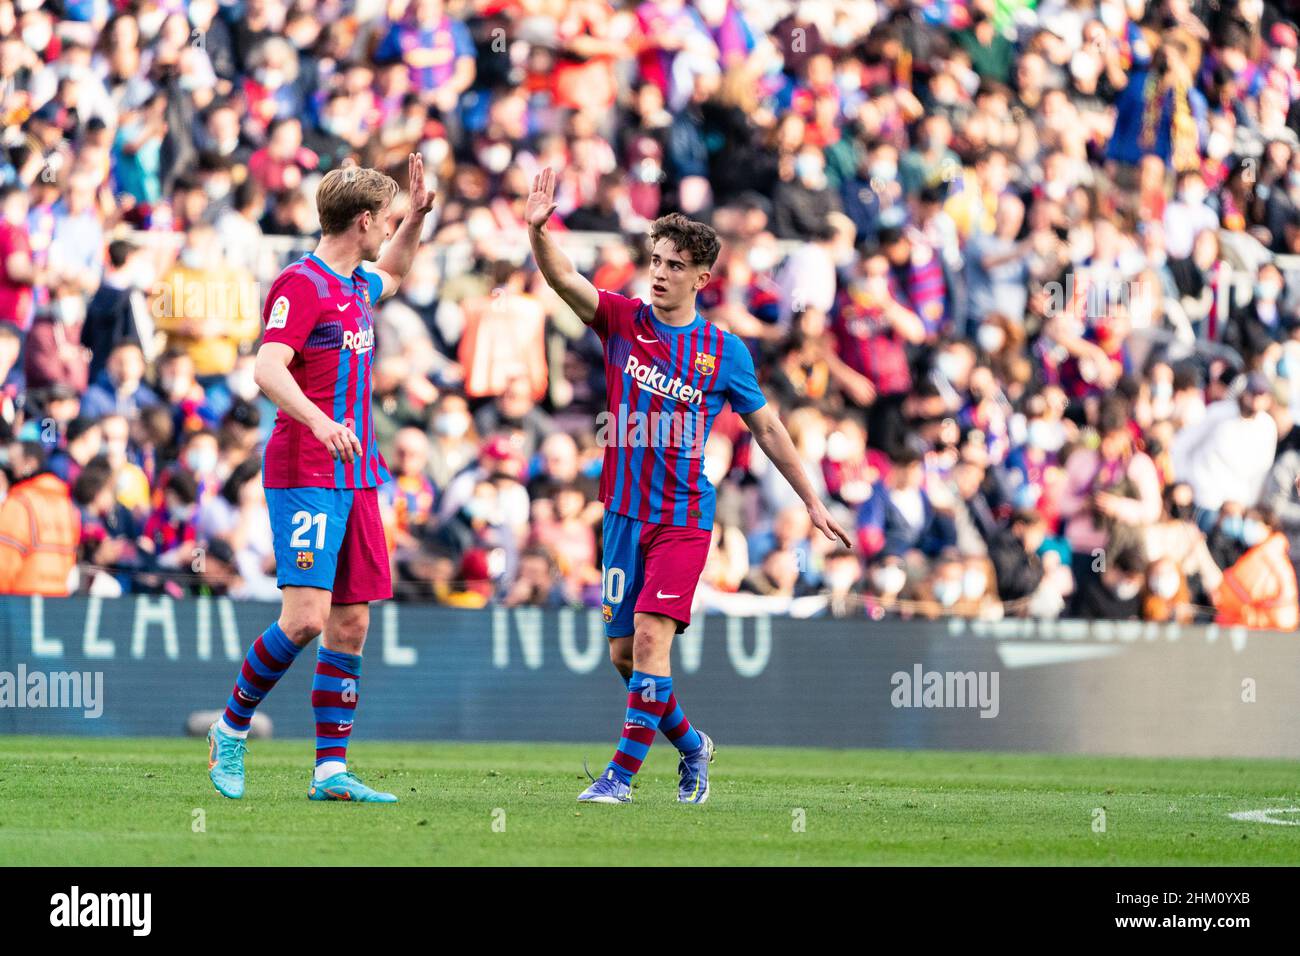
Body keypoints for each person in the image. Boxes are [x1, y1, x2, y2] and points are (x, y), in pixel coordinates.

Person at [526, 166, 851, 805]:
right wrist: (539, 232)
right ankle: (693, 744)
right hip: (621, 514)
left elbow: (769, 429)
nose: (659, 273)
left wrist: (811, 499)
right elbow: (564, 278)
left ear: (702, 278)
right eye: (655, 260)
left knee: (651, 640)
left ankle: (618, 779)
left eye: (674, 265)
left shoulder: (723, 351)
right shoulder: (622, 320)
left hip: (681, 517)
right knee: (626, 657)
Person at [206, 155, 435, 804]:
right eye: (387, 221)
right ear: (361, 221)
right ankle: (231, 727)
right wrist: (320, 421)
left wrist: (417, 217)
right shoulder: (300, 285)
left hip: (358, 476)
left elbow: (396, 270)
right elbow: (267, 369)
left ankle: (330, 770)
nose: (389, 232)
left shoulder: (359, 282)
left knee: (351, 622)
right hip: (306, 468)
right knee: (305, 619)